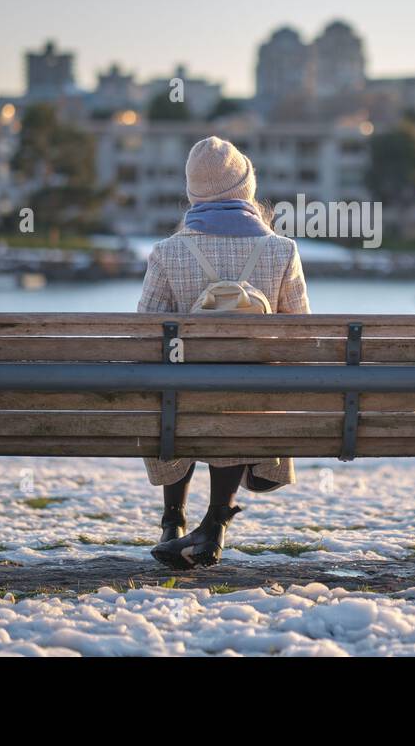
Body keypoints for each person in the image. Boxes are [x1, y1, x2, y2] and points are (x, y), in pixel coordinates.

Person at [138, 136, 310, 569]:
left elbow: (144, 334)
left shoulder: (167, 252)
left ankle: (173, 519)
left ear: (193, 193)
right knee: (237, 396)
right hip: (250, 406)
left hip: (181, 402)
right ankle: (215, 522)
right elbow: (302, 335)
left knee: (172, 394)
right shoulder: (281, 251)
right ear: (246, 188)